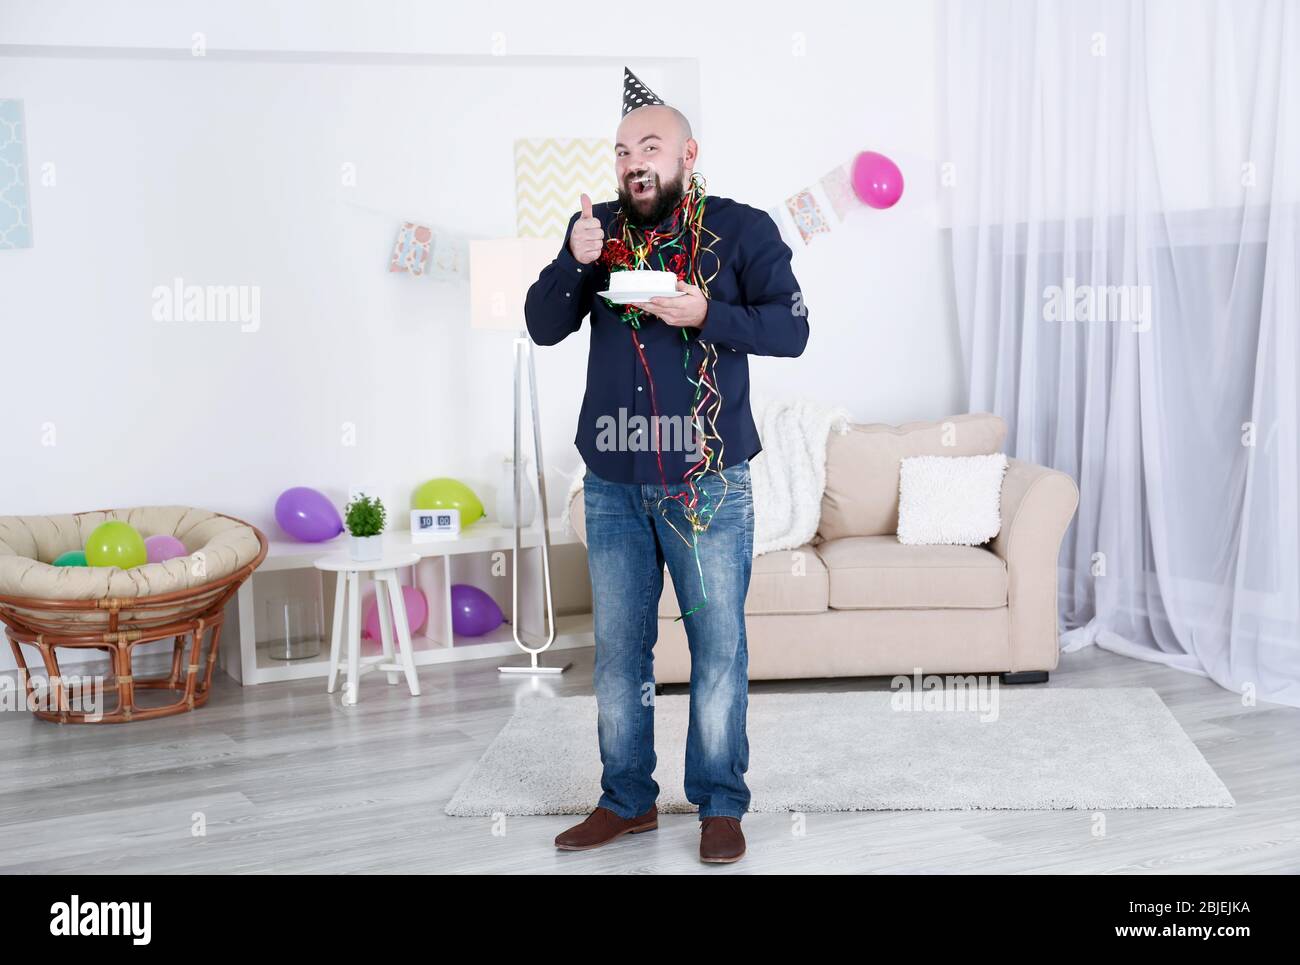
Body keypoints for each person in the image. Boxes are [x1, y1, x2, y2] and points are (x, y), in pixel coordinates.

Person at [524, 68, 809, 864]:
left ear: (687, 153)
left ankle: (720, 801)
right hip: (613, 482)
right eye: (622, 150)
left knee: (718, 646)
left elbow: (792, 330)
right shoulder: (597, 232)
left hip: (708, 480)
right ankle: (628, 799)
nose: (632, 161)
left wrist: (705, 314)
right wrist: (574, 261)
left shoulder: (742, 229)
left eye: (649, 145)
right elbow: (544, 324)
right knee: (619, 650)